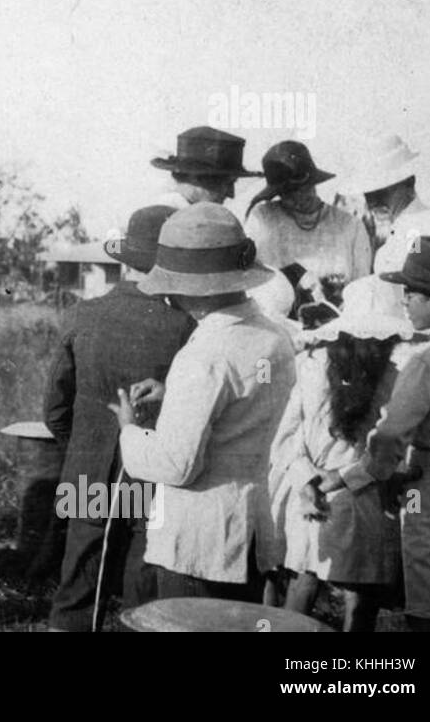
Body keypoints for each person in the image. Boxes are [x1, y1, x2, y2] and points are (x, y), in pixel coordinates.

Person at [113, 203, 296, 602]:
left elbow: (176, 465)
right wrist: (174, 395)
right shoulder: (274, 337)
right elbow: (247, 400)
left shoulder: (204, 354)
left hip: (200, 538)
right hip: (250, 529)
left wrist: (130, 430)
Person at [44, 205, 195, 631]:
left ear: (125, 260)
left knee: (77, 580)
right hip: (150, 477)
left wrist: (78, 448)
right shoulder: (185, 326)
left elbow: (54, 407)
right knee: (141, 583)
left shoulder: (83, 315)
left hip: (86, 470)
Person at [315, 237, 430, 631]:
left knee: (428, 588)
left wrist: (346, 478)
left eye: (412, 293)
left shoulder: (427, 362)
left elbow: (390, 440)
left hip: (427, 485)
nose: (405, 301)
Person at [263, 275, 413, 631]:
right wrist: (343, 478)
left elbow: (284, 436)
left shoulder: (309, 365)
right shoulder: (395, 378)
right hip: (365, 496)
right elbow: (390, 450)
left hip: (310, 493)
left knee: (304, 581)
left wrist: (306, 479)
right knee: (359, 598)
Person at [244, 140, 372, 286]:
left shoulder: (350, 227)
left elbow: (362, 289)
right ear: (278, 194)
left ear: (313, 182)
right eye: (289, 193)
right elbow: (249, 279)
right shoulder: (263, 220)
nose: (299, 198)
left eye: (303, 189)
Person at [150, 126, 262, 208]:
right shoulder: (168, 217)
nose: (231, 194)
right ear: (195, 178)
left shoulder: (184, 213)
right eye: (227, 184)